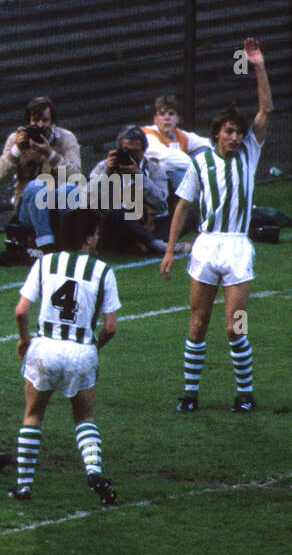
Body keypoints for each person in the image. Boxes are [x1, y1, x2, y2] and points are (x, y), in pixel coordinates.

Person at [161, 38, 273, 414]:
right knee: (197, 324)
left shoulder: (250, 153)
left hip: (238, 249)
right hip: (206, 248)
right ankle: (189, 394)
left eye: (238, 132)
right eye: (229, 131)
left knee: (235, 326)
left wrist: (257, 66)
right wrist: (169, 248)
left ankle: (245, 393)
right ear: (217, 133)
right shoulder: (199, 163)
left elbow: (267, 108)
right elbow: (182, 207)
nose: (236, 137)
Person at [10, 208, 120, 506]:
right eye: (95, 233)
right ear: (87, 238)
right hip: (81, 350)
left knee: (33, 415)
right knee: (84, 417)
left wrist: (23, 339)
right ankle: (94, 472)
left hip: (44, 348)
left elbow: (21, 311)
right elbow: (110, 327)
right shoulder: (103, 271)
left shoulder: (45, 263)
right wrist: (95, 347)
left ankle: (23, 486)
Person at [86, 125, 178, 255]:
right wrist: (107, 172)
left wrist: (138, 175)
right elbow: (87, 197)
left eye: (135, 152)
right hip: (115, 224)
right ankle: (153, 244)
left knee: (189, 215)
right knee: (116, 213)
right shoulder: (105, 166)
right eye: (126, 151)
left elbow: (162, 204)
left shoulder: (154, 169)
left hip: (146, 222)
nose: (131, 155)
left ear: (144, 150)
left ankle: (138, 244)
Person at [0, 97, 81, 211]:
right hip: (27, 205)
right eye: (36, 120)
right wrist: (17, 150)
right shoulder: (15, 139)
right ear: (29, 122)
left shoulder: (66, 138)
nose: (40, 125)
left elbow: (77, 177)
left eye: (45, 120)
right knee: (35, 188)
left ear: (52, 121)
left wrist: (51, 154)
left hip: (58, 203)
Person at [140, 94, 211, 194]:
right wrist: (199, 166)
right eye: (162, 114)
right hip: (153, 183)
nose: (167, 118)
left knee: (204, 150)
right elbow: (166, 156)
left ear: (177, 119)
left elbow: (208, 143)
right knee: (179, 173)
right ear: (155, 119)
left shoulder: (180, 135)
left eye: (171, 114)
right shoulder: (147, 134)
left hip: (181, 175)